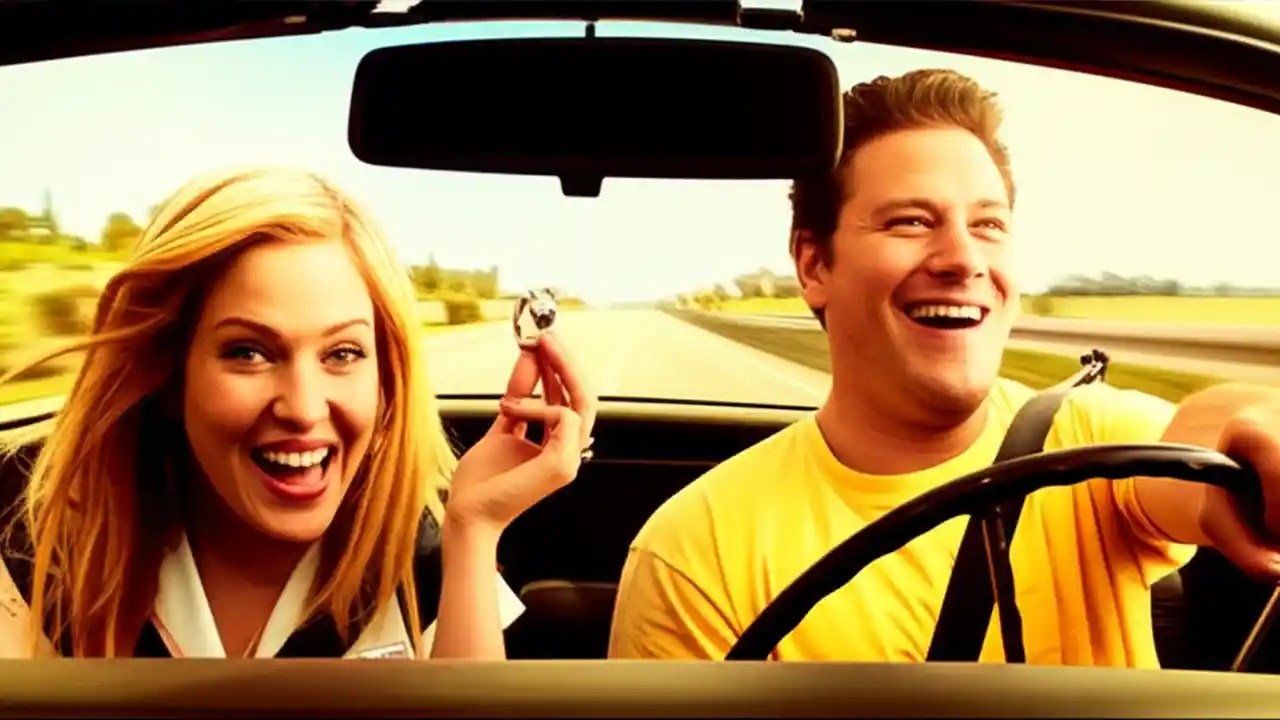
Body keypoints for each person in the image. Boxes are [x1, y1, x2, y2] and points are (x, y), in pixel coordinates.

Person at [607, 68, 1280, 666]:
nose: (963, 259)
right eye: (908, 221)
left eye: (988, 225)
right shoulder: (696, 549)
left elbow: (1197, 440)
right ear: (814, 265)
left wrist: (1252, 433)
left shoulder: (1086, 443)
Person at [0, 165, 596, 659]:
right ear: (168, 371)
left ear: (388, 381)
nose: (305, 408)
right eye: (249, 352)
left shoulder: (426, 559)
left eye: (342, 353)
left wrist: (475, 529)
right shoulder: (37, 546)